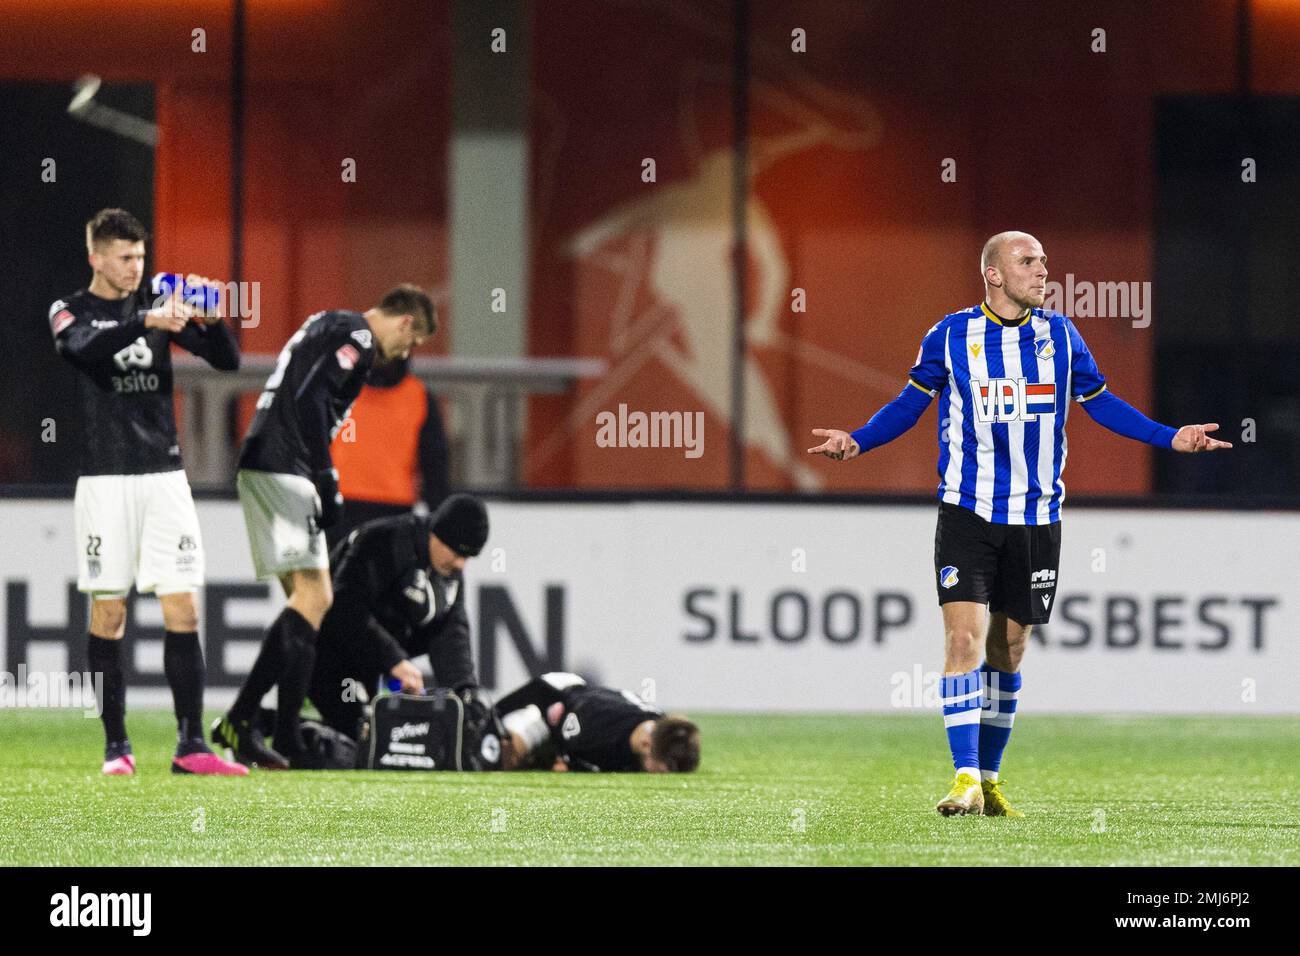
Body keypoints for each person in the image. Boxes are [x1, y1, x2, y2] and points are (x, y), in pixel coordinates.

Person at [808, 231, 1231, 816]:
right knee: (963, 640)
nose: (1042, 271)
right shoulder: (951, 335)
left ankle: (989, 777)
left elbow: (1100, 402)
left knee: (1009, 650)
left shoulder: (1060, 335)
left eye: (1044, 262)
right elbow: (911, 403)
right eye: (1027, 262)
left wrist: (1170, 437)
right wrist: (858, 440)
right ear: (994, 275)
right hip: (968, 510)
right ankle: (962, 779)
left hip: (1037, 516)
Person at [49, 207, 246, 776]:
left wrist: (209, 320)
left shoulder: (157, 298)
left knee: (182, 606)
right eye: (125, 257)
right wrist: (149, 325)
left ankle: (191, 745)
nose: (137, 267)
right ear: (97, 258)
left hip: (164, 477)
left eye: (140, 256)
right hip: (105, 481)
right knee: (109, 614)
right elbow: (83, 350)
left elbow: (228, 361)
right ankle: (117, 747)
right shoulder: (70, 310)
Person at [214, 284, 435, 768]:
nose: (407, 352)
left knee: (308, 605)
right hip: (283, 466)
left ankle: (266, 728)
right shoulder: (356, 335)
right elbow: (312, 397)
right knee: (317, 598)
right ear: (402, 322)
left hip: (263, 462)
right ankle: (253, 719)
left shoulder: (330, 321)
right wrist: (325, 473)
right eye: (413, 340)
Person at [303, 494, 488, 747]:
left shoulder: (448, 572)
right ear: (438, 533)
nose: (461, 564)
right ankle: (274, 723)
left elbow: (450, 632)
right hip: (320, 658)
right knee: (358, 743)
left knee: (377, 742)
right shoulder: (384, 540)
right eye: (457, 553)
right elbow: (343, 607)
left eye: (468, 557)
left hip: (367, 668)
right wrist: (394, 660)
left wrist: (465, 690)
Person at [323, 354, 451, 552]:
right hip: (339, 509)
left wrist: (443, 529)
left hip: (394, 513)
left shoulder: (418, 397)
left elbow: (435, 470)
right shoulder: (337, 389)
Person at [495, 672, 701, 773]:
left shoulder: (658, 726)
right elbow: (568, 743)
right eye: (661, 770)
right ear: (647, 745)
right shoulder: (597, 726)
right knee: (502, 755)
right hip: (549, 701)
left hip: (575, 708)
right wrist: (564, 762)